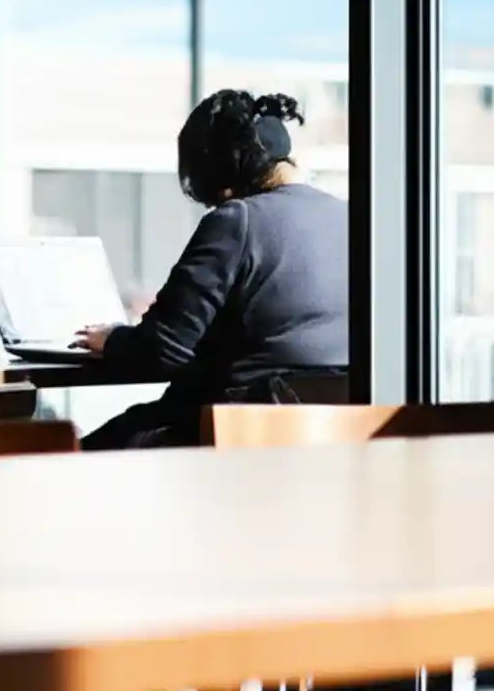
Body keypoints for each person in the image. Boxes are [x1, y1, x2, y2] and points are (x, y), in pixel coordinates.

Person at [72, 89, 348, 450]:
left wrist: (113, 340)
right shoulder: (351, 220)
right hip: (327, 438)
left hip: (228, 436)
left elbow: (163, 349)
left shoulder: (238, 220)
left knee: (73, 458)